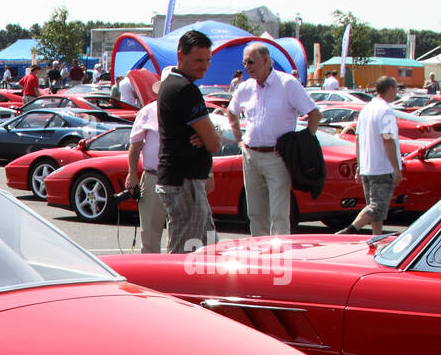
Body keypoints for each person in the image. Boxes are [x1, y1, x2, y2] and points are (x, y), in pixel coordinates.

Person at [226, 42, 320, 236]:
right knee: (255, 213)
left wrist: (303, 144)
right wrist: (239, 141)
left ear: (266, 61)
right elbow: (231, 111)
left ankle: (280, 257)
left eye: (251, 62)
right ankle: (260, 257)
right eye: (245, 63)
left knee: (278, 214)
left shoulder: (287, 84)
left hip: (277, 156)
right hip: (251, 155)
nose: (247, 67)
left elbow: (314, 114)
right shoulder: (245, 87)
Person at [156, 30, 222, 253]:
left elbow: (210, 140)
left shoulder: (172, 85)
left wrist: (208, 137)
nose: (204, 66)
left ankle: (209, 288)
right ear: (180, 57)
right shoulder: (184, 89)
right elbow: (214, 143)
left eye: (208, 60)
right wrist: (209, 137)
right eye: (198, 60)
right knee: (185, 253)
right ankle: (172, 288)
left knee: (209, 249)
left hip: (185, 180)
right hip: (184, 182)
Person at [338, 76, 401, 236]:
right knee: (377, 206)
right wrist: (396, 168)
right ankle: (350, 230)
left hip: (367, 166)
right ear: (391, 89)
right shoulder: (386, 110)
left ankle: (376, 239)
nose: (396, 93)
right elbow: (387, 139)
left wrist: (359, 165)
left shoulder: (366, 109)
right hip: (382, 167)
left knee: (375, 211)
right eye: (396, 89)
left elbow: (358, 139)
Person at [125, 67, 172, 253]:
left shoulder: (187, 112)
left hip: (180, 178)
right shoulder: (147, 112)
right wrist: (132, 175)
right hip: (153, 177)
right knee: (150, 237)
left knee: (179, 237)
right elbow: (135, 146)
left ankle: (173, 278)